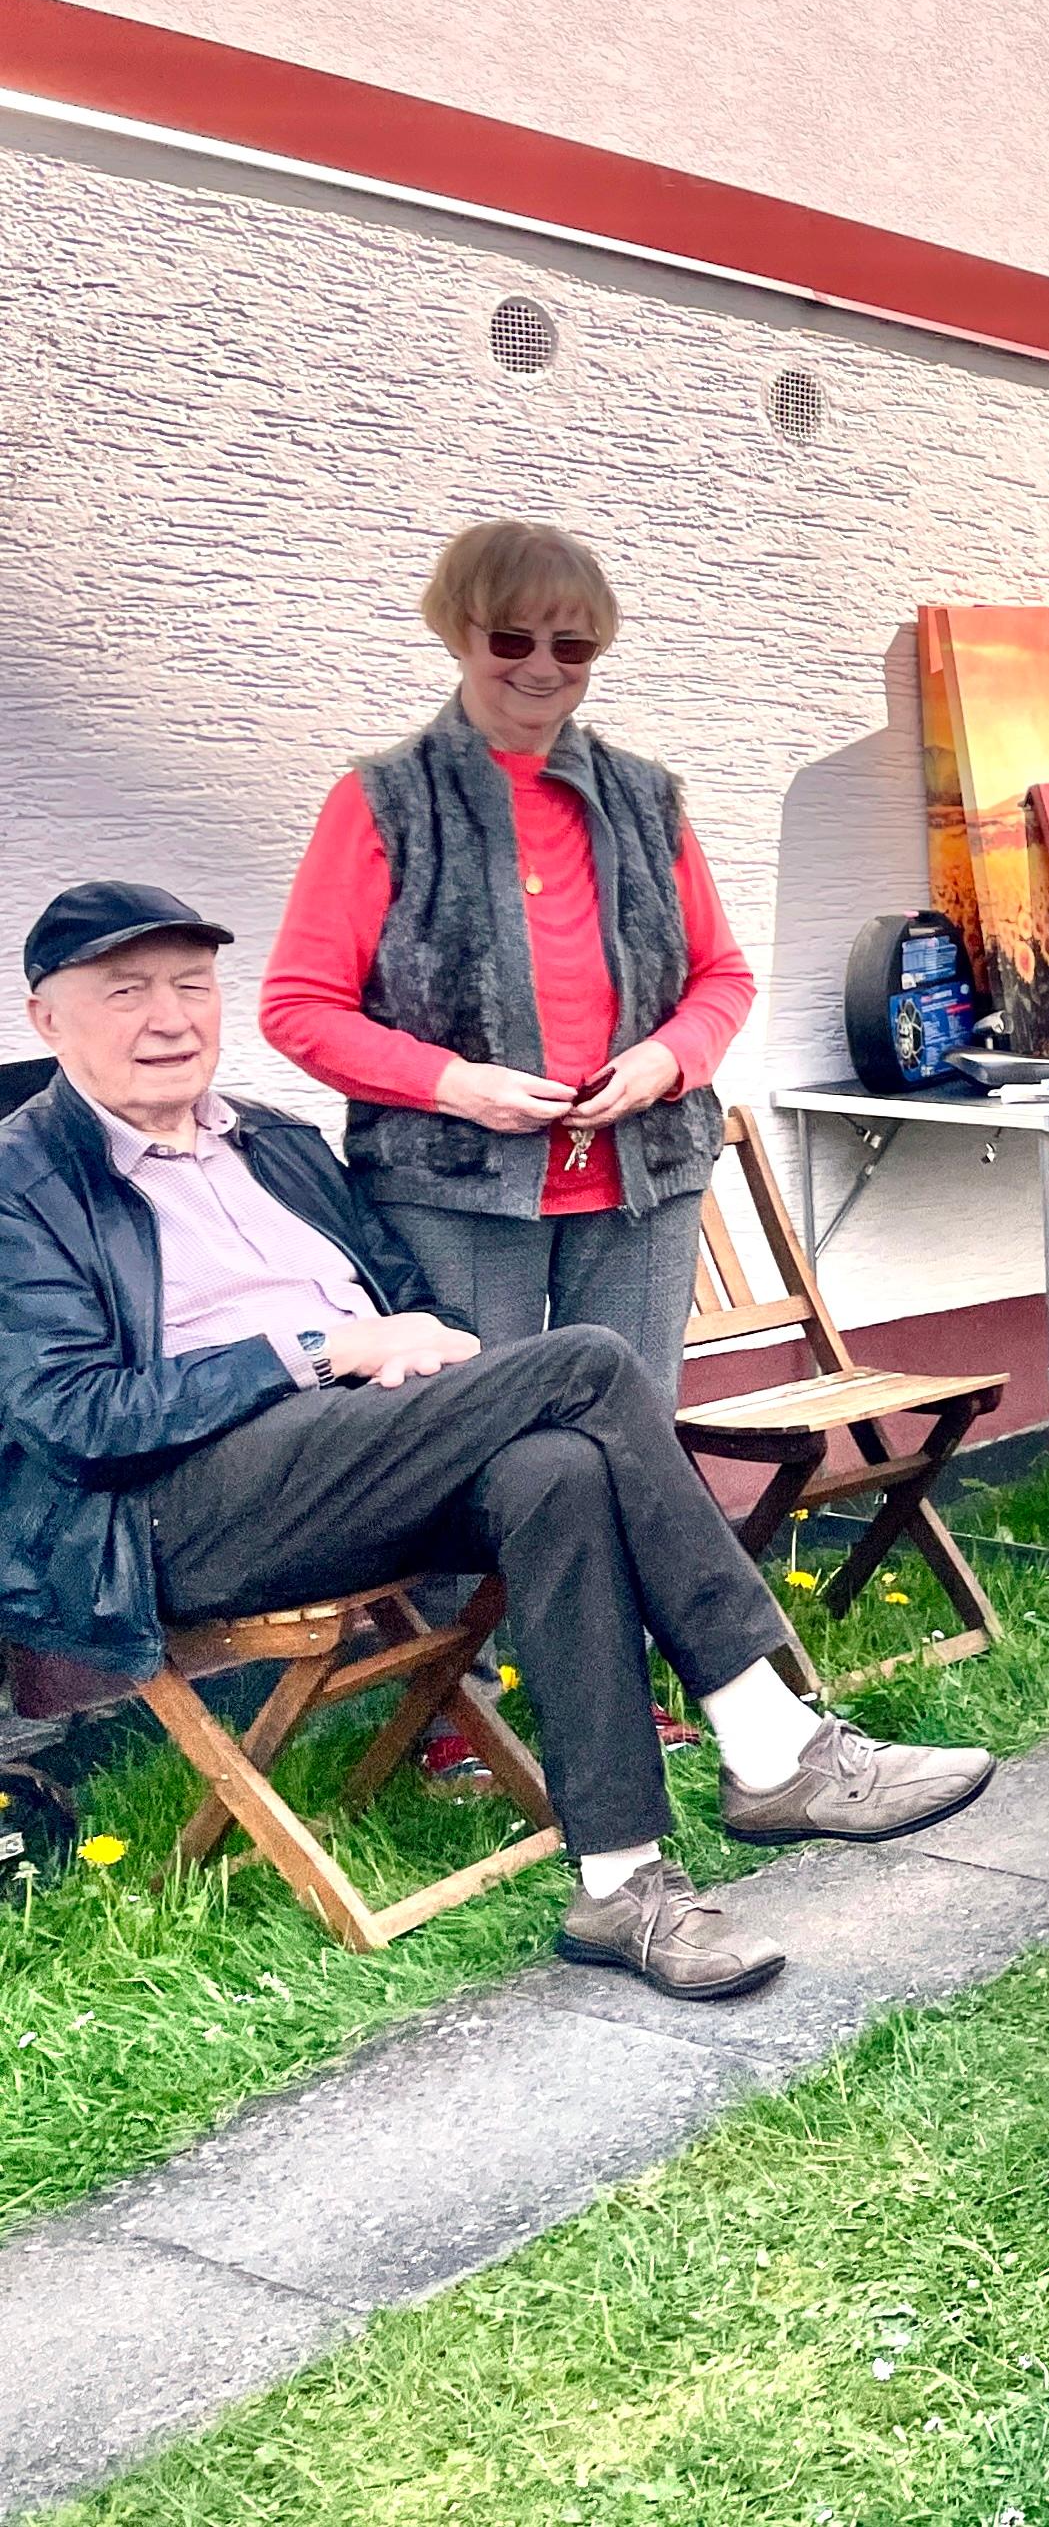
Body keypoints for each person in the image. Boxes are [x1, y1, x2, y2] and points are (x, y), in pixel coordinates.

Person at [0, 883, 995, 1997]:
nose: (171, 1017)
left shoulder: (272, 1140)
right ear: (48, 1019)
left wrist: (419, 1348)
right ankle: (768, 1735)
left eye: (192, 984)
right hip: (183, 1509)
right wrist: (320, 1350)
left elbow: (414, 1299)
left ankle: (621, 1884)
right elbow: (75, 1418)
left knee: (554, 1466)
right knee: (587, 1360)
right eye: (126, 993)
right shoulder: (22, 1181)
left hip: (359, 1451)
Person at [262, 520, 753, 1399]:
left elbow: (723, 977)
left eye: (572, 644)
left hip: (647, 1180)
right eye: (512, 638)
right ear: (459, 633)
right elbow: (300, 1008)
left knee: (632, 1430)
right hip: (451, 1190)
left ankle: (617, 1550)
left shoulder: (646, 797)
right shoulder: (386, 801)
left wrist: (666, 1060)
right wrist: (455, 1084)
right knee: (470, 1437)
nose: (542, 665)